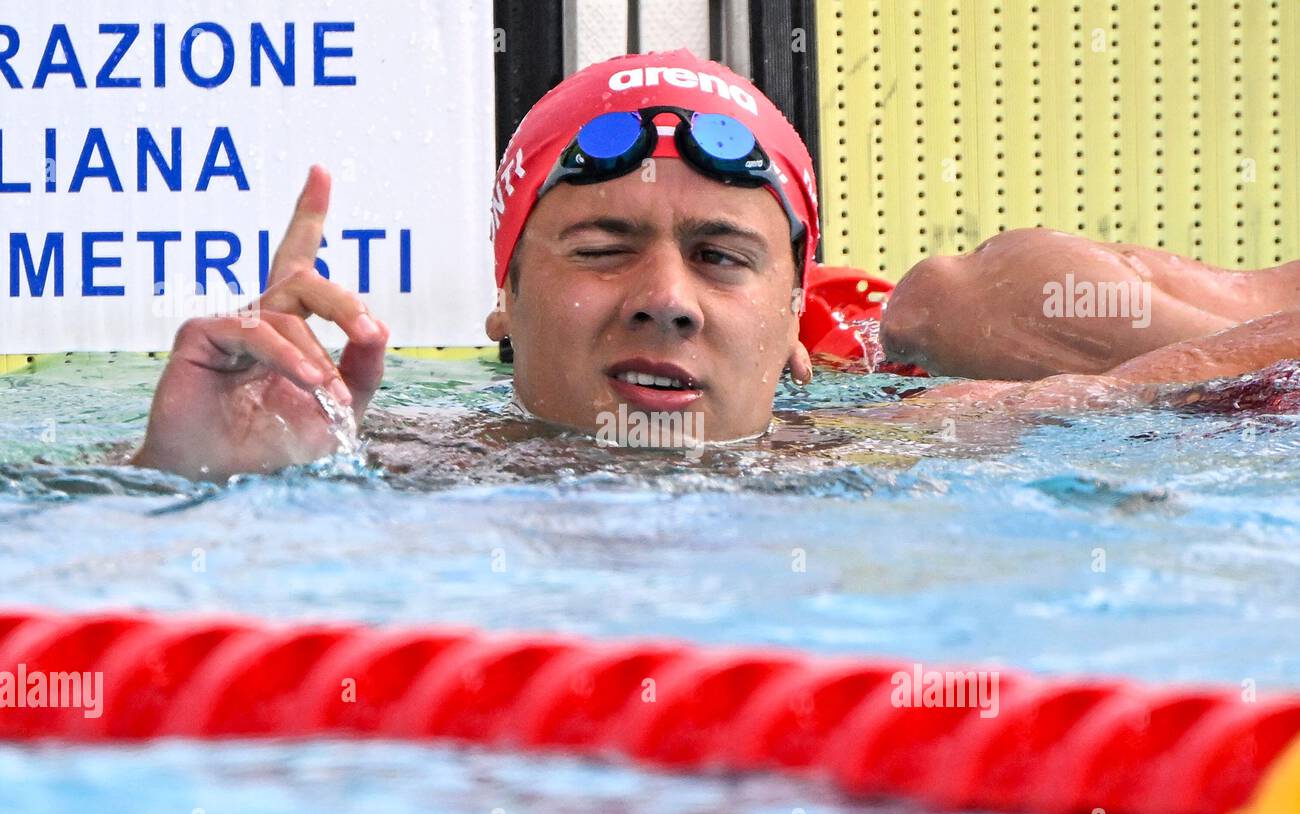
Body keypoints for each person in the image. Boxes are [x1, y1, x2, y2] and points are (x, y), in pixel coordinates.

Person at [129, 50, 1300, 482]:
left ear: (795, 327)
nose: (664, 300)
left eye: (720, 256)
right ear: (503, 303)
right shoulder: (401, 463)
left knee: (981, 302)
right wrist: (196, 479)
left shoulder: (912, 437)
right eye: (600, 247)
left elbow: (1163, 387)